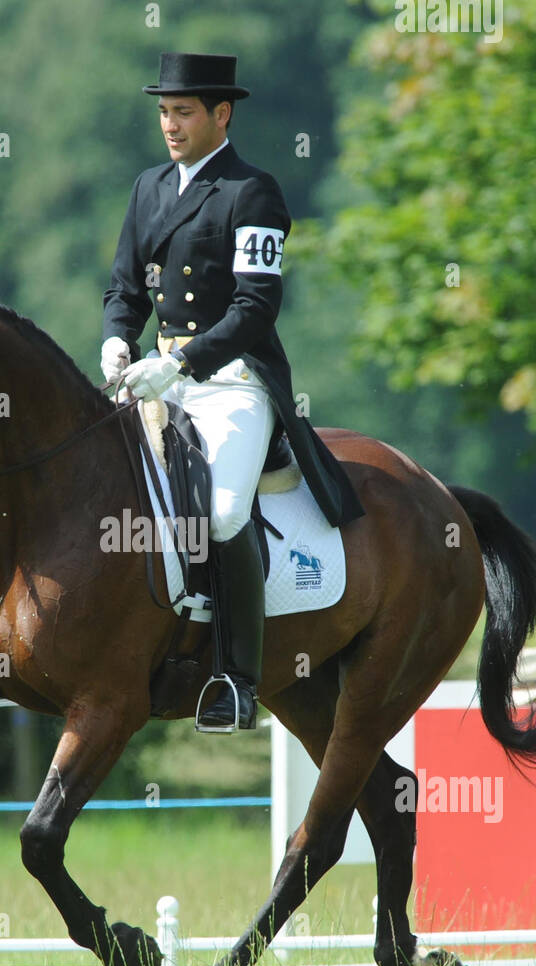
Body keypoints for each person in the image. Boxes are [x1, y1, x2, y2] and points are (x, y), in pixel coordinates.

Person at [102, 51, 364, 731]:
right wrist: (116, 338)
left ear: (222, 114)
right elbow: (125, 288)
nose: (170, 124)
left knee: (219, 515)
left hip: (233, 382)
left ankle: (236, 679)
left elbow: (253, 309)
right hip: (154, 377)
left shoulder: (254, 192)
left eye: (183, 112)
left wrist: (182, 362)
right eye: (163, 111)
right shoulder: (148, 187)